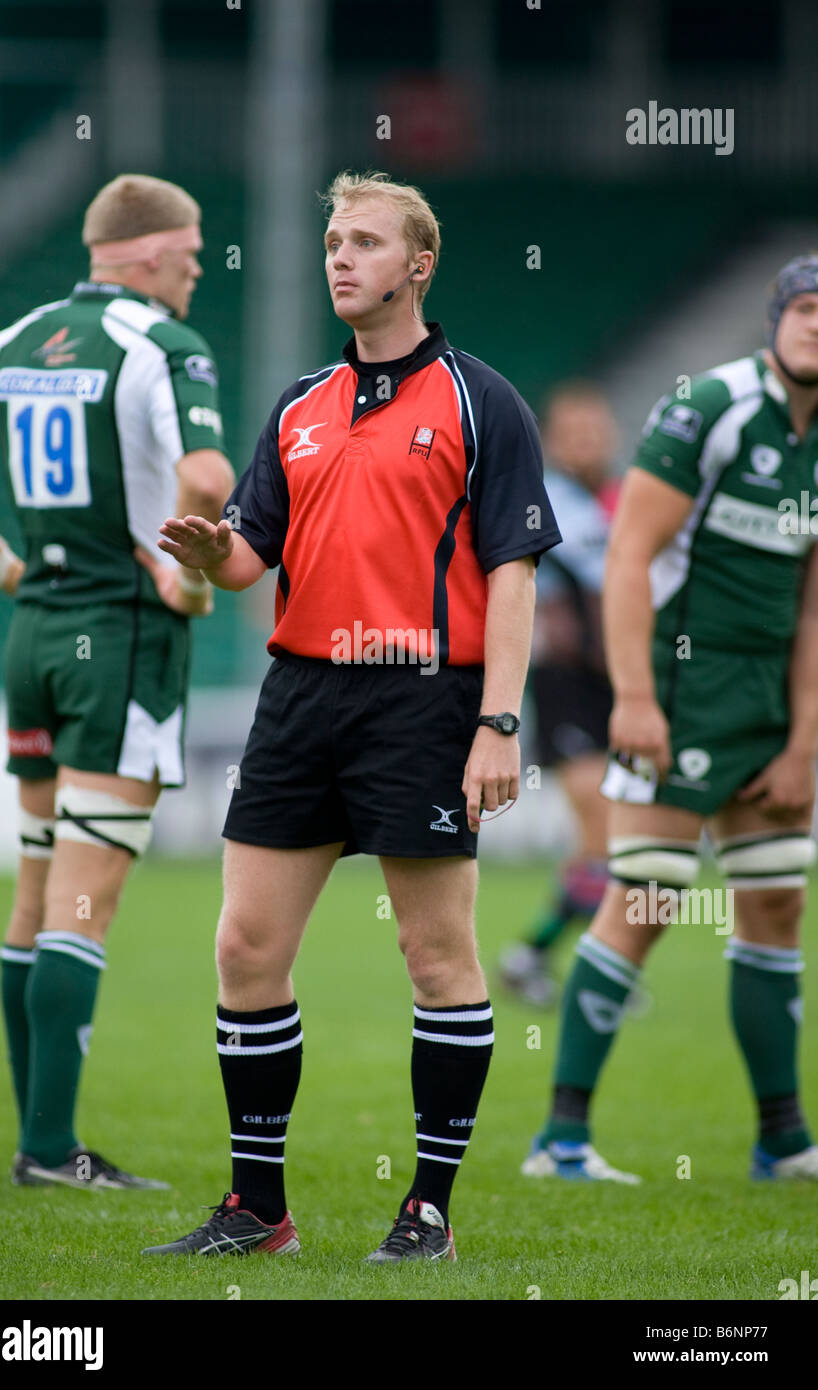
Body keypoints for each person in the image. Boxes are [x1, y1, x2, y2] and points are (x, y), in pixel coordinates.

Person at [143, 170, 561, 1261]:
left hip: (424, 699)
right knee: (244, 948)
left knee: (435, 959)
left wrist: (497, 722)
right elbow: (247, 560)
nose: (340, 257)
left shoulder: (482, 398)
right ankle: (256, 1209)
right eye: (332, 239)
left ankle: (426, 1209)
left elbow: (513, 570)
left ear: (416, 265)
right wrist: (208, 553)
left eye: (364, 241)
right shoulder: (296, 405)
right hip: (300, 696)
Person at [0, 173, 234, 1188]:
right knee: (84, 906)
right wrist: (182, 571)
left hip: (37, 629)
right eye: (192, 251)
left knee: (35, 893)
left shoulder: (18, 338)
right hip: (121, 636)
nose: (200, 268)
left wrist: (6, 569)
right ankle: (48, 1150)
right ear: (151, 251)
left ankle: (39, 1145)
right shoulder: (164, 344)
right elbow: (204, 481)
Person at [523, 254, 818, 1184]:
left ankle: (782, 1140)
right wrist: (639, 698)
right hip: (679, 691)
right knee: (646, 898)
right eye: (805, 309)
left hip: (768, 703)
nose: (817, 325)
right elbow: (628, 558)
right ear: (774, 320)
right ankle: (561, 1142)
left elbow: (812, 605)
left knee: (775, 905)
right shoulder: (713, 409)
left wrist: (806, 739)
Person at [499, 383, 624, 1008]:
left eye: (596, 429)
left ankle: (538, 956)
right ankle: (588, 969)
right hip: (566, 685)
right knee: (604, 831)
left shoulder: (620, 501)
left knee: (614, 844)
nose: (588, 441)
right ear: (553, 439)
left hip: (623, 686)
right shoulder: (545, 503)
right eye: (575, 432)